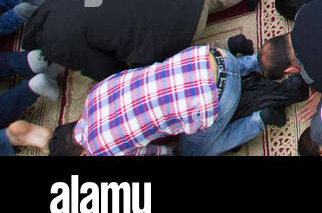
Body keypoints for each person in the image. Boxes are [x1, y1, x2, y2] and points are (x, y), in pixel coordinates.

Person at [51, 43, 306, 156]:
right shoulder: (94, 94)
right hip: (214, 55)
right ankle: (251, 60)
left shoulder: (102, 150)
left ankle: (259, 120)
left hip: (217, 96)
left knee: (193, 151)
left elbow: (156, 153)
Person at [22, 0, 259, 80]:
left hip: (176, 29)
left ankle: (229, 46)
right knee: (202, 1)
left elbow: (105, 70)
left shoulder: (57, 41)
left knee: (164, 64)